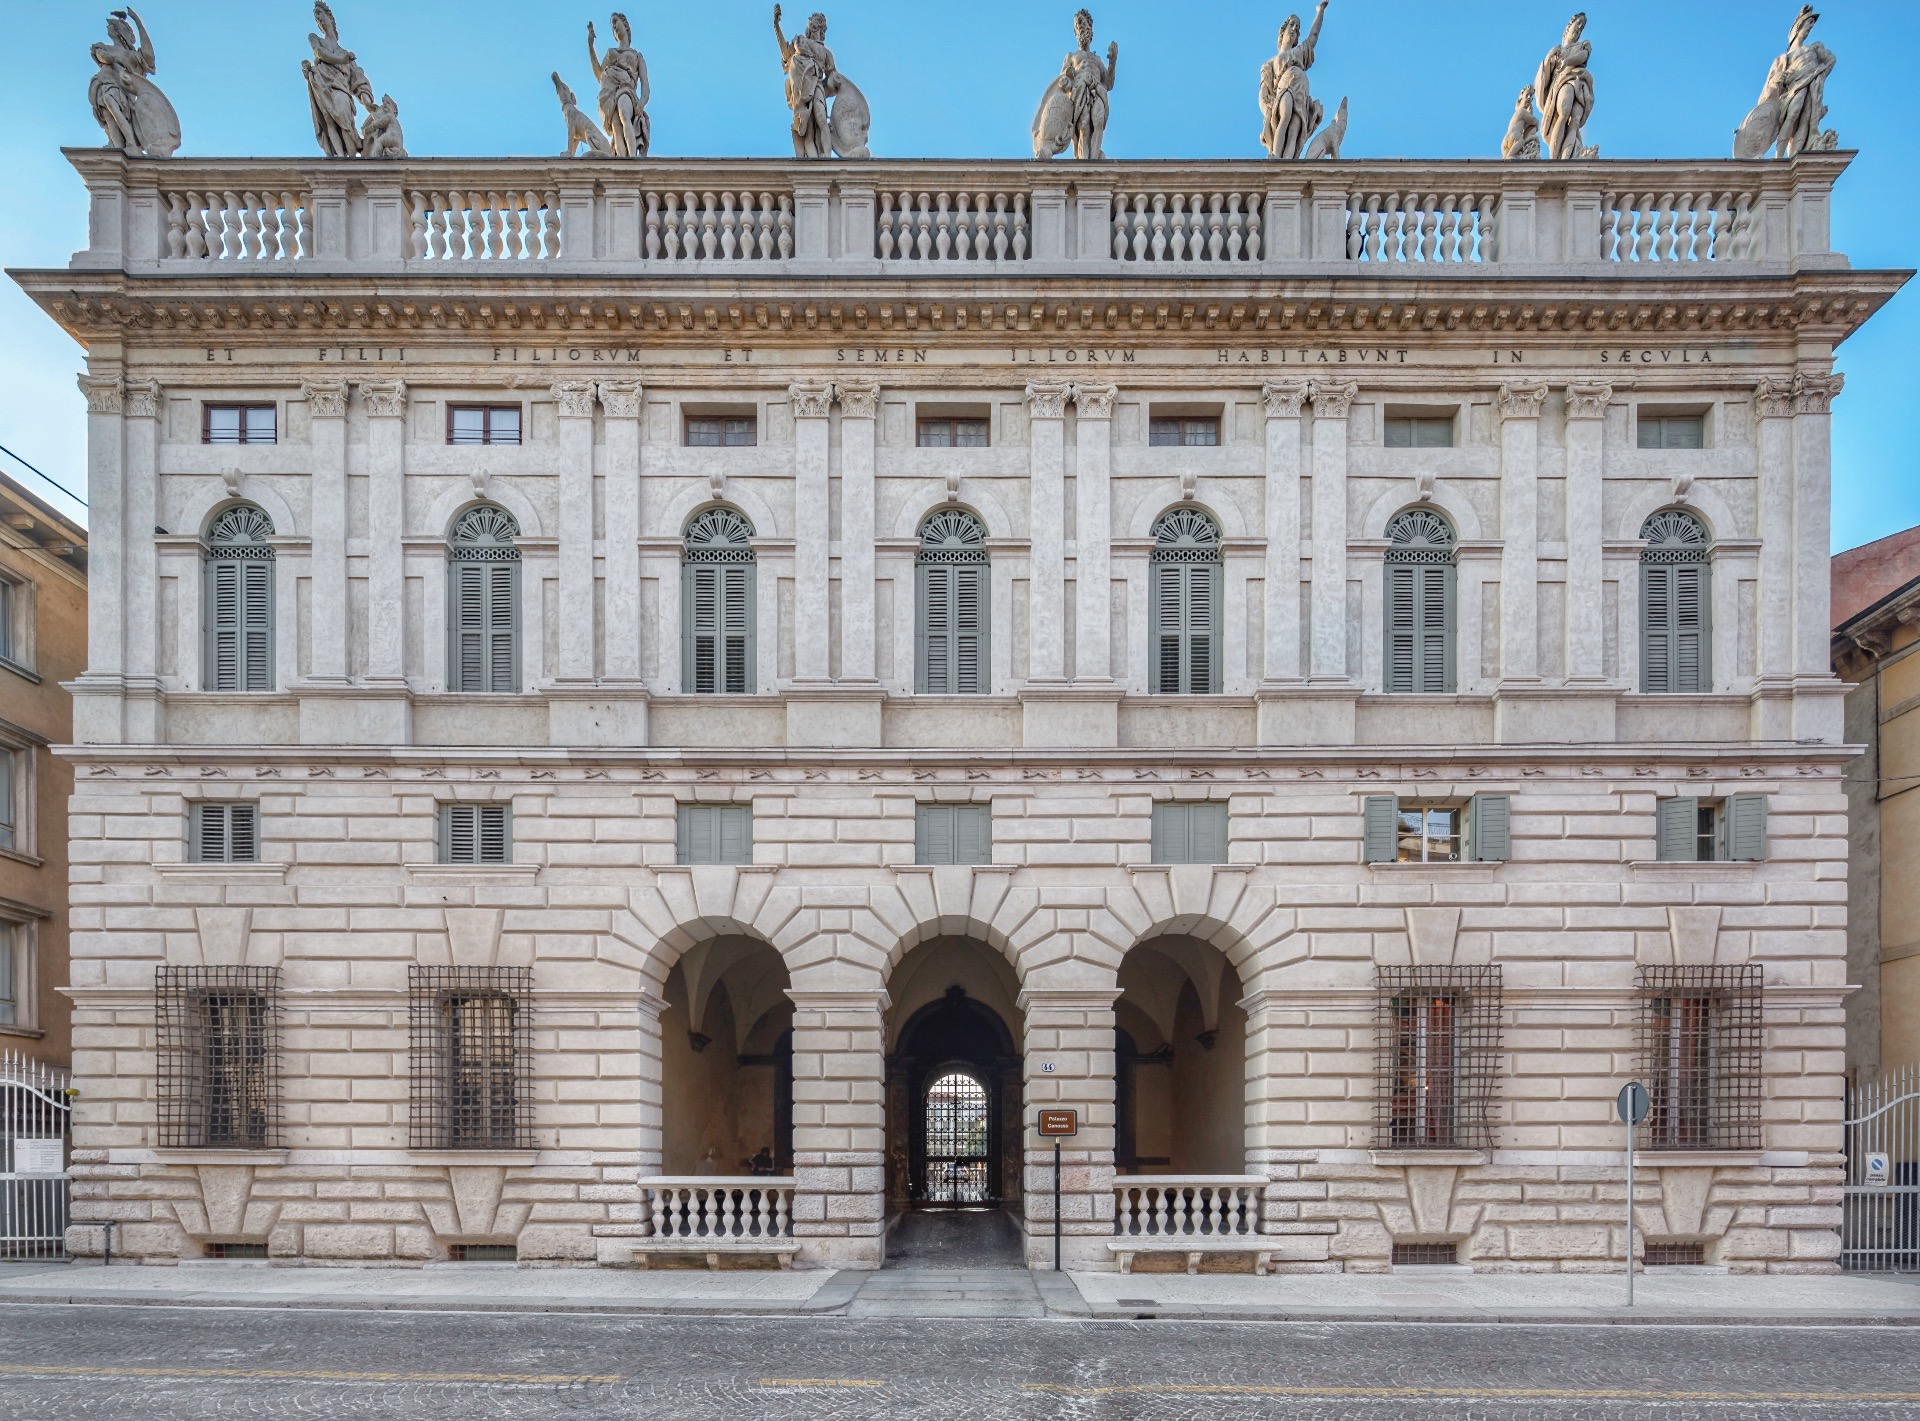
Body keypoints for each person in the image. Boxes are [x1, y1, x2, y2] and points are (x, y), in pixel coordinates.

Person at [1034, 9, 1118, 160]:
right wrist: (1067, 84)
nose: (1080, 27)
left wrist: (1113, 61)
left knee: (1098, 122)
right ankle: (1084, 160)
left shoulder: (1097, 60)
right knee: (1084, 126)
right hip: (1080, 90)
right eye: (1077, 25)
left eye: (1082, 23)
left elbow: (1109, 83)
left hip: (1097, 90)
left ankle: (1094, 159)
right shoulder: (1072, 56)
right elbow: (1062, 81)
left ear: (1089, 28)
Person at [1259, 3, 1329, 160]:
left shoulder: (1300, 51)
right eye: (1292, 25)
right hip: (1285, 85)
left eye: (1297, 29)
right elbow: (1263, 92)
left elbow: (1314, 36)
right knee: (1285, 115)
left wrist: (1320, 11)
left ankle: (1288, 163)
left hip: (1301, 87)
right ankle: (1276, 156)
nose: (1294, 29)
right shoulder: (1270, 63)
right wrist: (1266, 109)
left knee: (1295, 129)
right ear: (1283, 31)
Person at [305, 1, 373, 159]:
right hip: (323, 85)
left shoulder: (346, 55)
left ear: (330, 18)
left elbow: (359, 81)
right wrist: (342, 59)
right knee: (328, 120)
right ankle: (339, 158)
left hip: (341, 90)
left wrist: (369, 104)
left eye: (320, 14)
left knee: (344, 121)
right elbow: (320, 53)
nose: (319, 20)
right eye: (316, 18)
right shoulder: (315, 39)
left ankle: (349, 159)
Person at [1534, 12, 1596, 161]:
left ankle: (1568, 157)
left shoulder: (1584, 45)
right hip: (1563, 82)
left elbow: (1583, 56)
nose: (1579, 28)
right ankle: (1556, 160)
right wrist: (1550, 58)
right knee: (1564, 113)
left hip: (1580, 83)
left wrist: (1567, 62)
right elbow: (1543, 76)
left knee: (1574, 120)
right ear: (1567, 28)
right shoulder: (1557, 51)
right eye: (1577, 23)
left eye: (1582, 26)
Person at [588, 13, 650, 158]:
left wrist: (641, 102)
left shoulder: (637, 56)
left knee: (624, 113)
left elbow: (645, 84)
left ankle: (633, 159)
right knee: (616, 126)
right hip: (609, 92)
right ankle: (622, 164)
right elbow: (600, 74)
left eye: (616, 22)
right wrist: (591, 47)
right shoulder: (610, 53)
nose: (614, 26)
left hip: (626, 89)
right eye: (612, 25)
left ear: (626, 26)